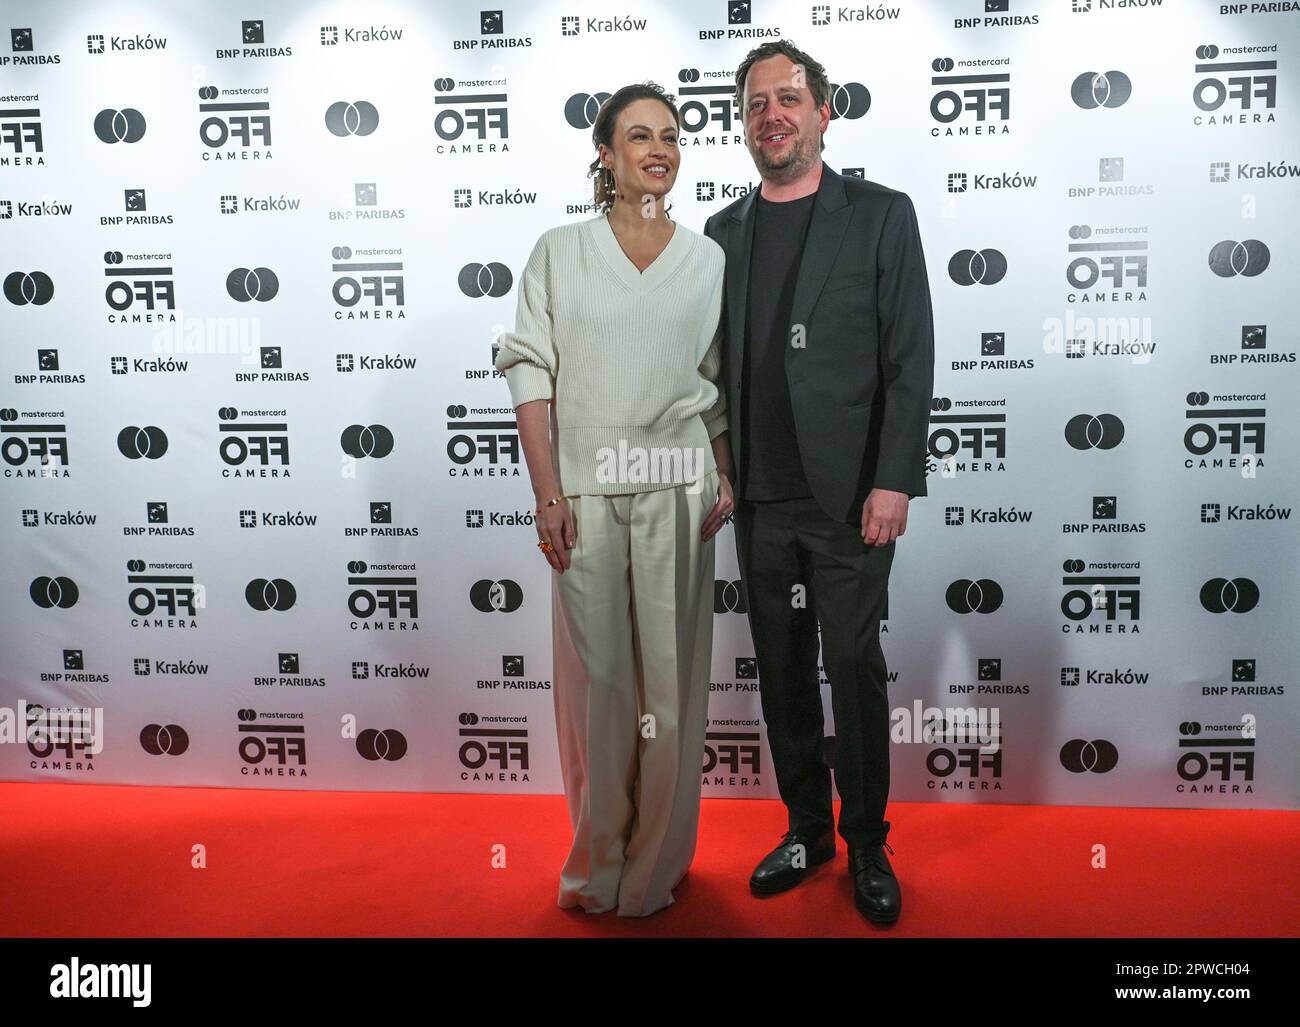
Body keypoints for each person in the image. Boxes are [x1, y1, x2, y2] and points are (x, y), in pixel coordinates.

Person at [703, 40, 935, 925]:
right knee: (784, 673)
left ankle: (868, 838)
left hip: (849, 500)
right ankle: (807, 828)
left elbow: (909, 357)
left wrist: (894, 480)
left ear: (824, 111)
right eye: (756, 103)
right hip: (759, 498)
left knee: (854, 666)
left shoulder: (880, 214)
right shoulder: (723, 235)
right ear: (744, 122)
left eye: (788, 98)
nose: (772, 115)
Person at [494, 82, 736, 918]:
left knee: (669, 694)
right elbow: (530, 369)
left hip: (678, 490)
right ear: (604, 152)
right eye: (639, 136)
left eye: (670, 135)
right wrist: (546, 491)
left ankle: (653, 873)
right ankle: (597, 868)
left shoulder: (708, 260)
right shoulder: (558, 250)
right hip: (586, 495)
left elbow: (713, 387)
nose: (659, 149)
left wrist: (725, 467)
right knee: (600, 693)